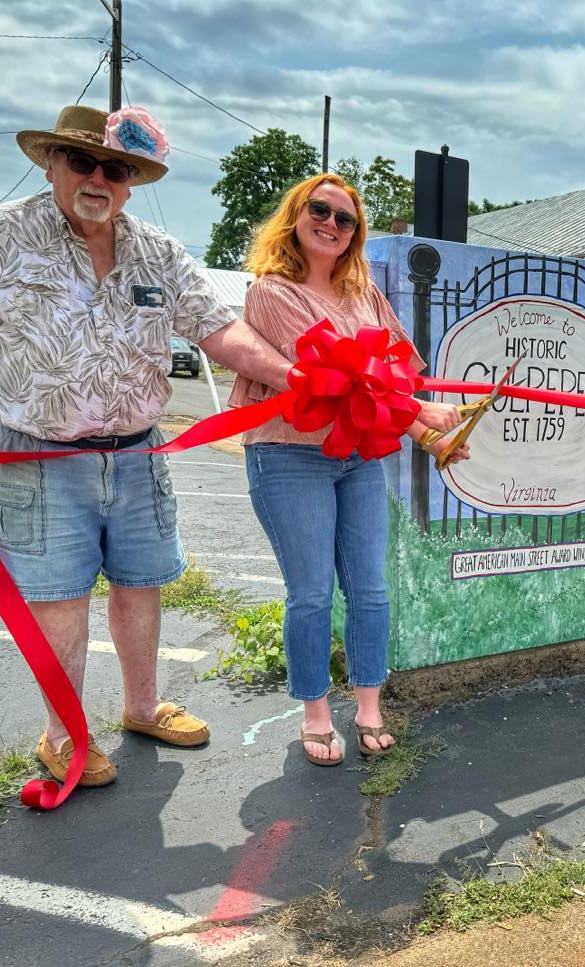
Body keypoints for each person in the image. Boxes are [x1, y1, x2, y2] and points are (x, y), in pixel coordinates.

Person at [0, 104, 295, 786]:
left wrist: (297, 375)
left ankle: (141, 705)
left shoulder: (158, 251)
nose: (97, 177)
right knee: (59, 596)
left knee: (142, 583)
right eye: (81, 161)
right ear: (51, 162)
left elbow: (218, 328)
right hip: (39, 456)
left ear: (130, 178)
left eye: (113, 167)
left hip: (138, 451)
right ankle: (64, 736)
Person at [229, 173, 467, 768]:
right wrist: (419, 413)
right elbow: (340, 377)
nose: (332, 225)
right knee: (311, 592)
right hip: (288, 456)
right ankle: (314, 712)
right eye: (321, 210)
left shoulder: (365, 294)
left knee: (370, 587)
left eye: (346, 219)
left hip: (358, 456)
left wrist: (429, 437)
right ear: (296, 214)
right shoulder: (271, 292)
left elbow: (396, 374)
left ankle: (366, 705)